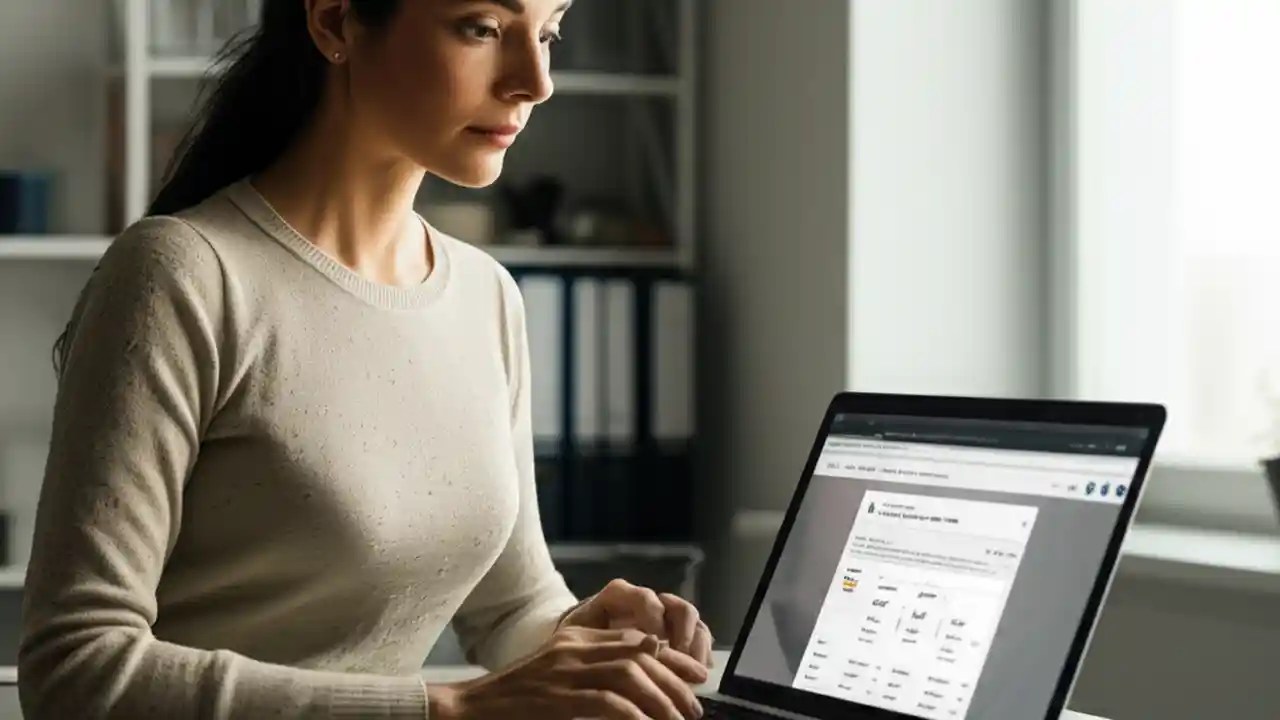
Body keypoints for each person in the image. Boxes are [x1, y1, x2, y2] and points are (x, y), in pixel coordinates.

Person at [17, 0, 711, 717]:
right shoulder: (185, 275)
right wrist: (447, 710)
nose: (535, 82)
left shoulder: (486, 294)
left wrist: (585, 640)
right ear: (336, 23)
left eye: (547, 33)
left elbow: (511, 606)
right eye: (482, 29)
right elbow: (75, 668)